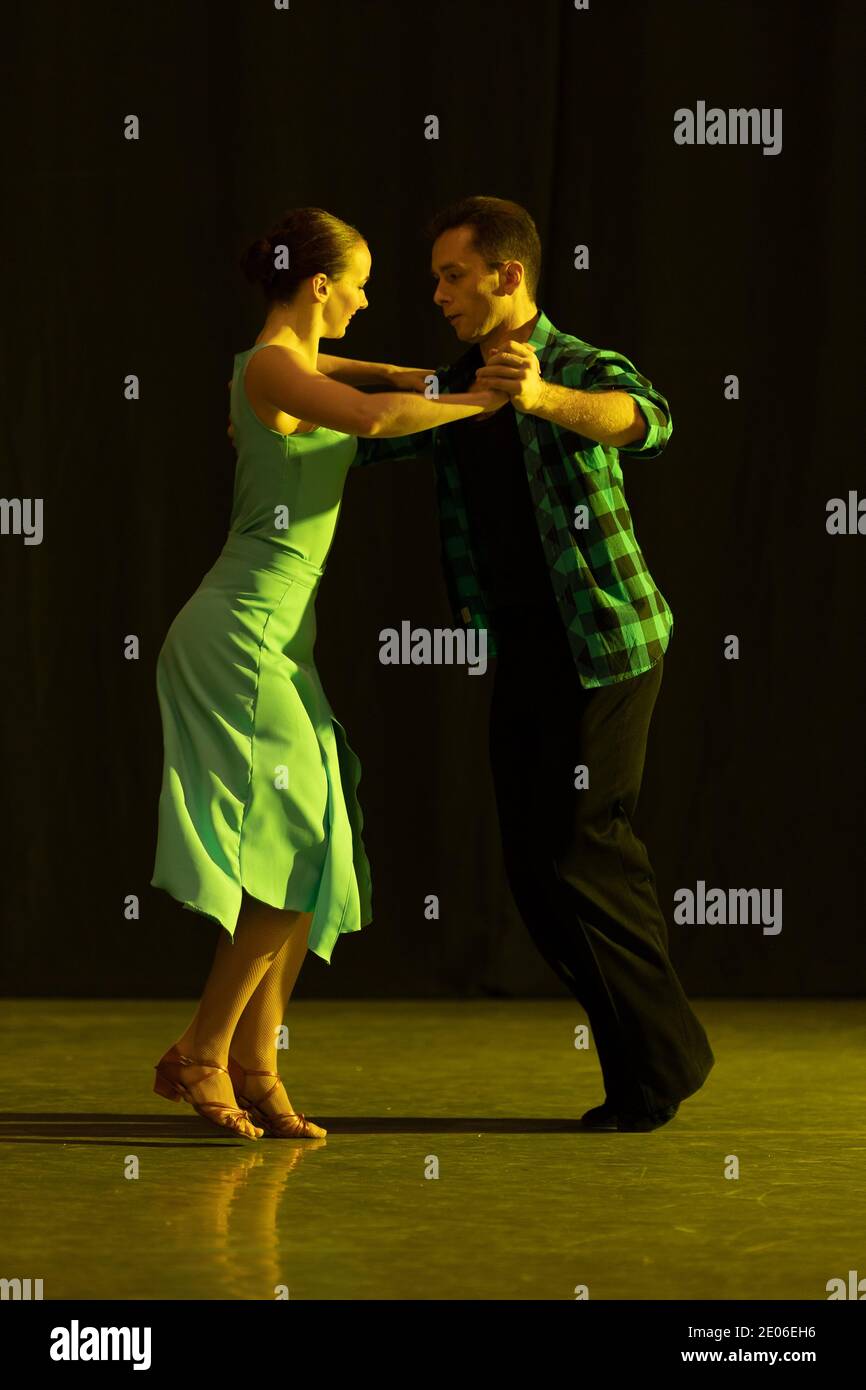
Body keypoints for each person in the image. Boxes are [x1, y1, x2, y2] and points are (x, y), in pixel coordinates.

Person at [277, 195, 715, 1133]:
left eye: (450, 274)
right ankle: (660, 1057)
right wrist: (273, 408)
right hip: (524, 648)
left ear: (506, 274)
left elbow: (651, 421)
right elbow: (370, 423)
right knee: (535, 861)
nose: (435, 293)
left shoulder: (571, 364)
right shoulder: (459, 381)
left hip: (607, 645)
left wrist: (543, 397)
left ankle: (659, 1067)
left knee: (582, 842)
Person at [151, 206, 505, 1141]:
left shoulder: (290, 363)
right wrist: (483, 403)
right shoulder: (270, 366)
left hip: (280, 637)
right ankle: (201, 1052)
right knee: (292, 844)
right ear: (317, 286)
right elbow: (378, 415)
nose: (367, 295)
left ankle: (256, 1065)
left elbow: (385, 378)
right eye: (359, 280)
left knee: (321, 854)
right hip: (238, 632)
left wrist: (450, 375)